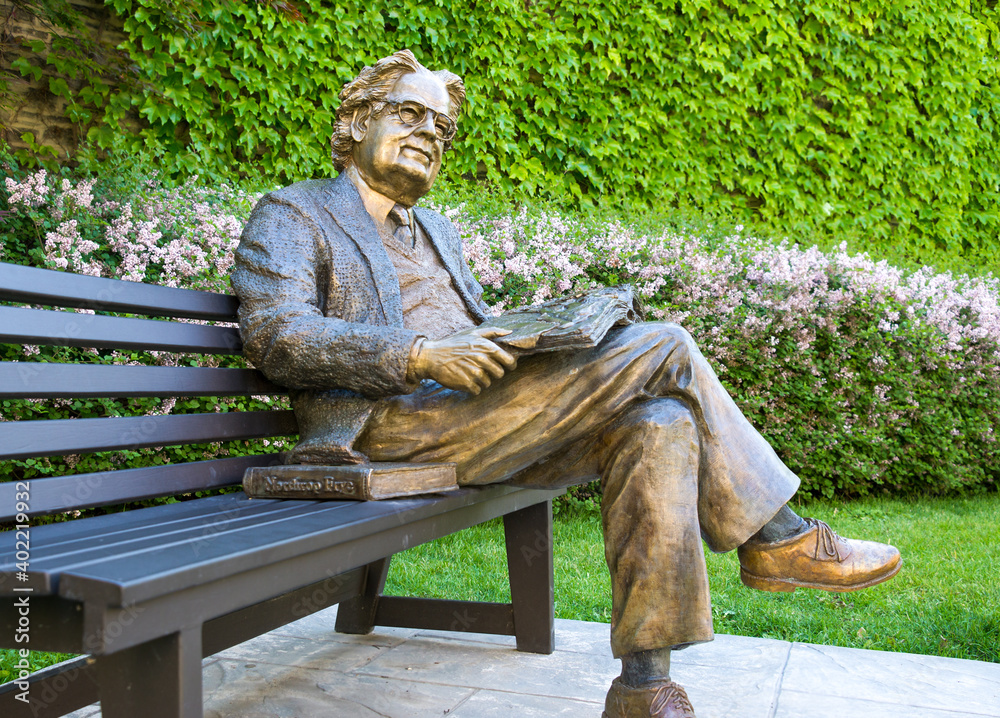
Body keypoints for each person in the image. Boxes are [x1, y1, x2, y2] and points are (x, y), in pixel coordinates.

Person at [232, 50, 901, 718]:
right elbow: (277, 336)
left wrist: (541, 334)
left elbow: (472, 330)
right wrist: (422, 356)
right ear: (355, 120)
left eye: (441, 130)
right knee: (665, 345)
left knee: (659, 422)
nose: (429, 137)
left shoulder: (435, 228)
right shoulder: (295, 213)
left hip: (473, 413)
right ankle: (778, 540)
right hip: (388, 424)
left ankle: (643, 688)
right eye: (410, 114)